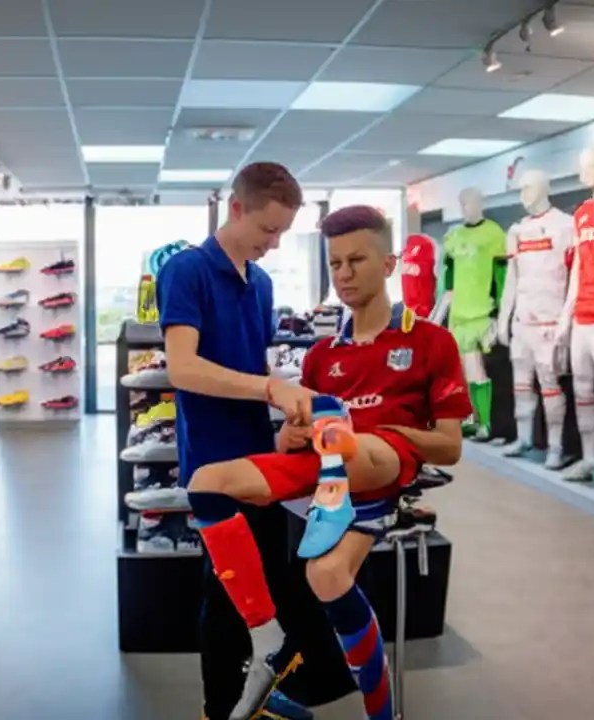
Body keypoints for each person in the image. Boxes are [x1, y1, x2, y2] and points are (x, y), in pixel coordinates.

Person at [186, 205, 472, 720]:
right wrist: (292, 435)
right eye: (335, 263)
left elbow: (449, 446)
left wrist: (383, 433)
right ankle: (265, 633)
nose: (343, 274)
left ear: (389, 264)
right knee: (209, 483)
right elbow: (288, 448)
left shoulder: (431, 340)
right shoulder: (320, 357)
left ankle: (379, 710)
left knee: (347, 448)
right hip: (324, 471)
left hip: (383, 470)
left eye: (356, 260)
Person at [158, 162, 325, 720]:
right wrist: (271, 386)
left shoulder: (263, 283)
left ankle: (252, 699)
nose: (274, 243)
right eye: (267, 230)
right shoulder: (187, 271)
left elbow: (251, 369)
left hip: (261, 459)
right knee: (226, 597)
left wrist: (281, 425)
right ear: (237, 209)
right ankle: (220, 708)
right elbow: (183, 369)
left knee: (270, 592)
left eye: (281, 233)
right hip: (212, 465)